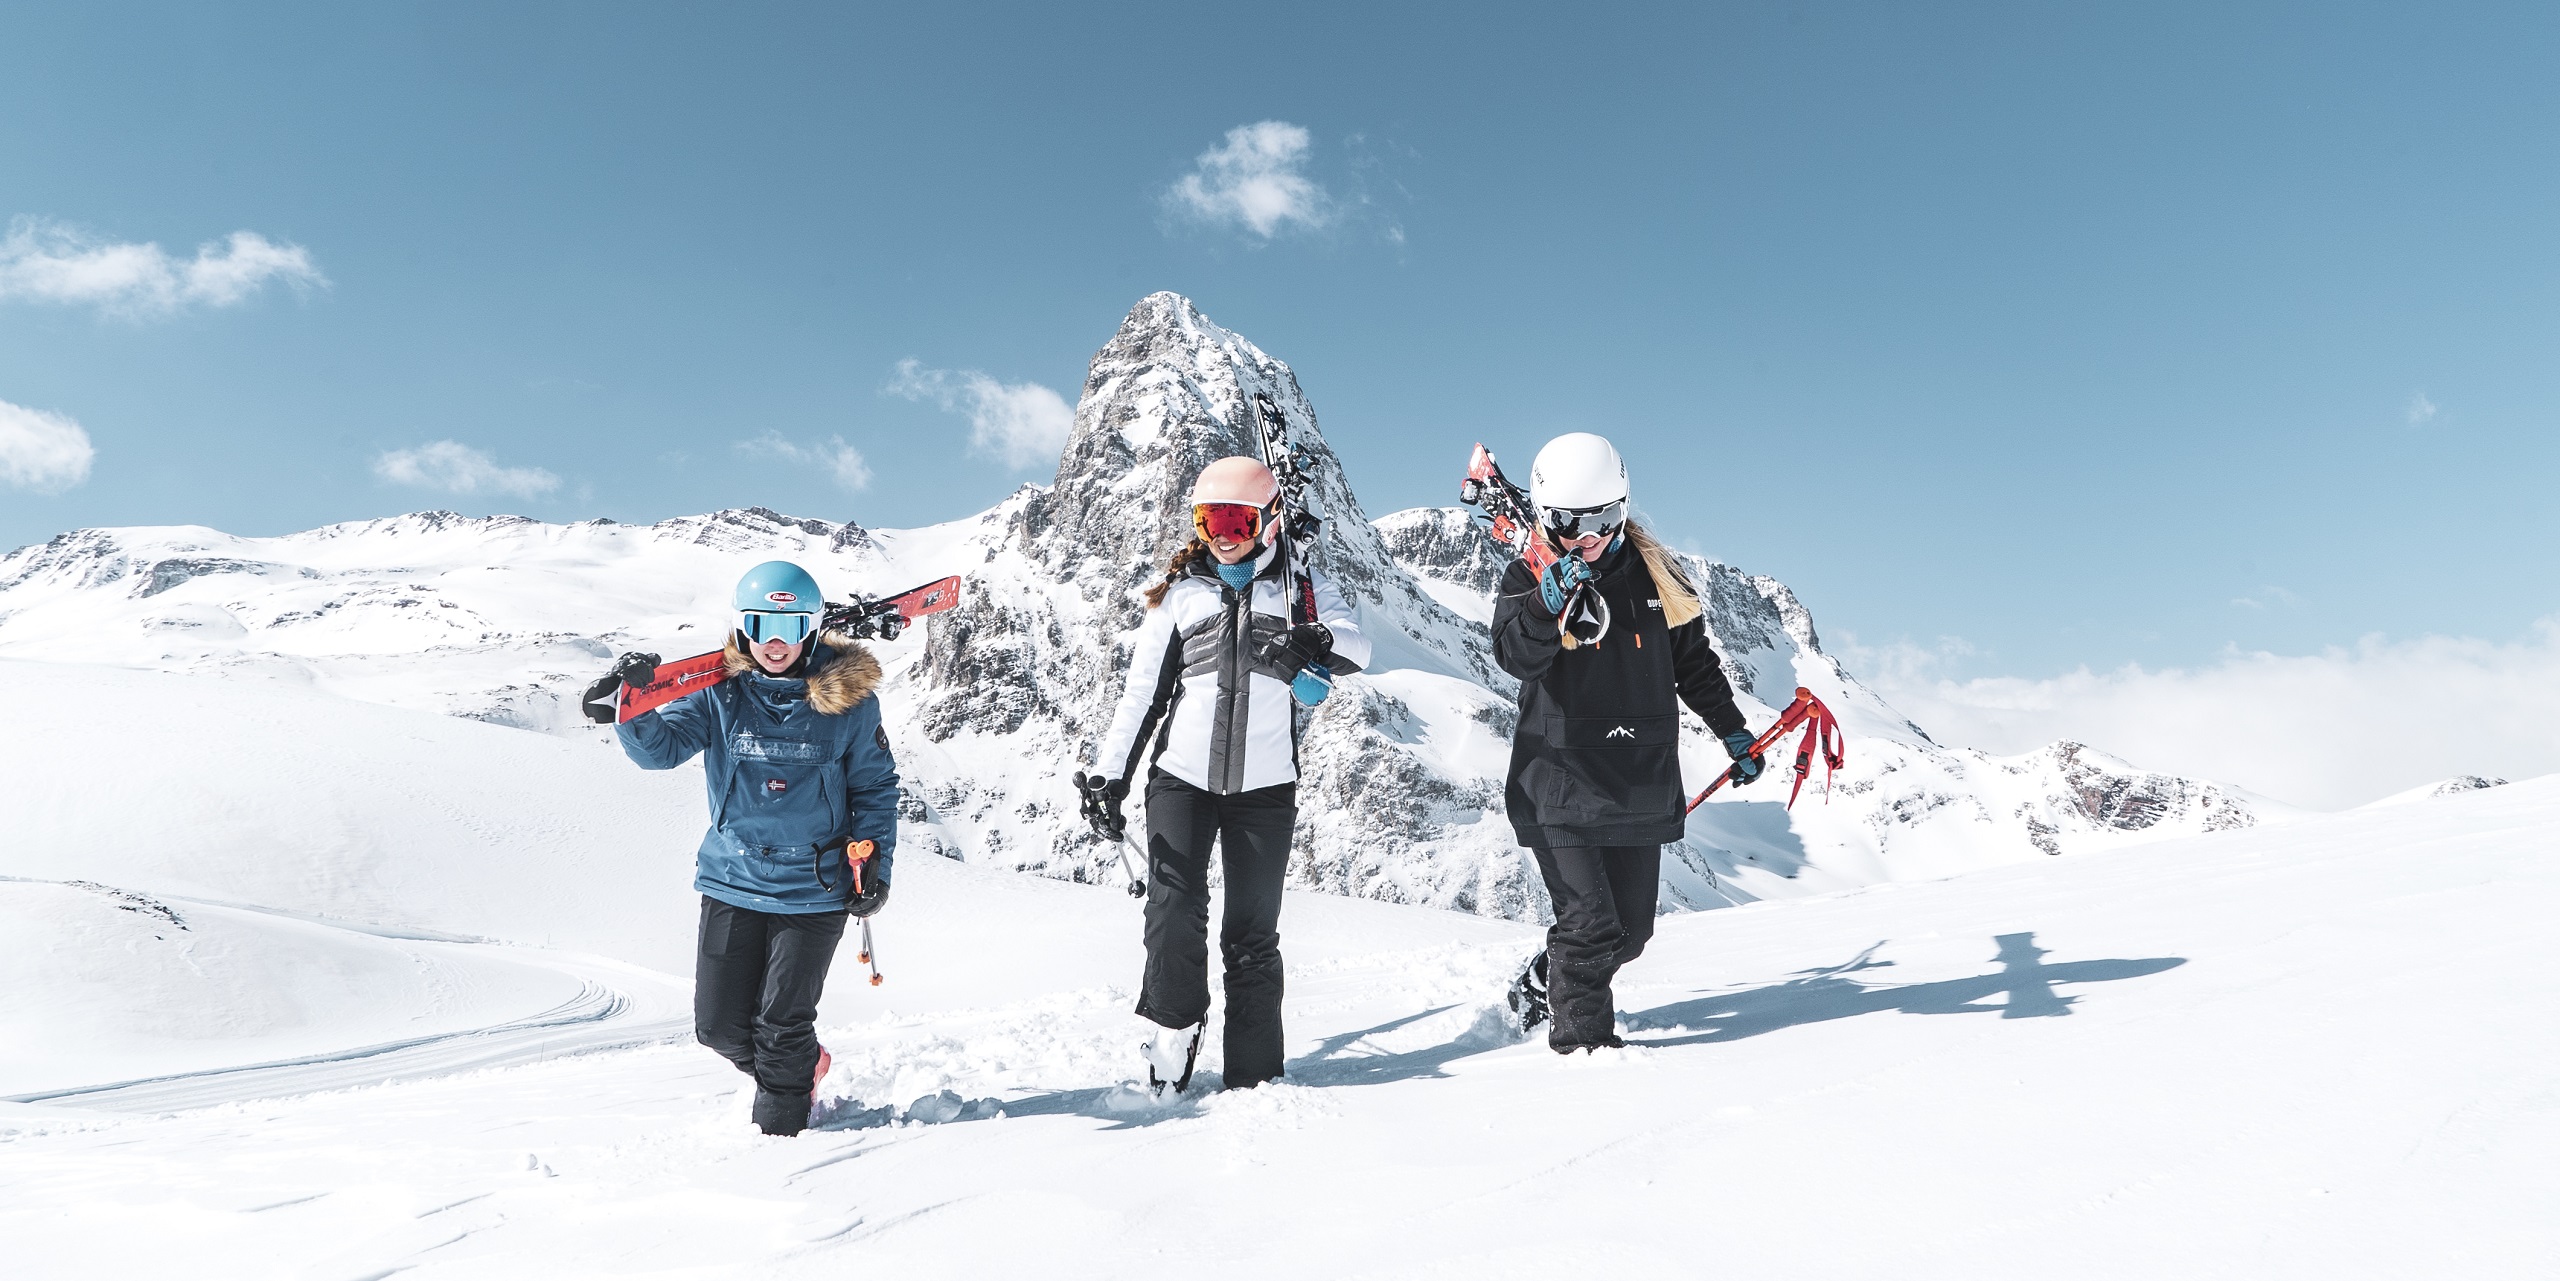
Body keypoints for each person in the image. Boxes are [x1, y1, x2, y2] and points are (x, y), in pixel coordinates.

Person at [1073, 456, 1371, 1093]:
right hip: (1181, 780)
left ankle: (1254, 1081)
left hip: (1264, 792)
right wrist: (1109, 778)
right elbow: (1140, 699)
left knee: (1252, 932)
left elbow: (1358, 647)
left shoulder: (1299, 588)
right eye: (1211, 518)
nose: (1224, 532)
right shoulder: (1180, 597)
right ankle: (1175, 1031)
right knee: (1173, 909)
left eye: (1238, 517)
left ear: (1266, 521)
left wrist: (1313, 644)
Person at [588, 560, 899, 1135]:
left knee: (782, 1026)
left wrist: (875, 859)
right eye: (761, 625)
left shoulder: (851, 704)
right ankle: (803, 1069)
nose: (774, 643)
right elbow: (661, 751)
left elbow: (874, 785)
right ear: (743, 627)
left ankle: (782, 1148)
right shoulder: (719, 692)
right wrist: (634, 709)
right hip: (734, 878)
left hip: (817, 887)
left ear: (811, 625)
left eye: (790, 626)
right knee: (720, 1028)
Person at [1491, 433, 1766, 1053]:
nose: (1587, 537)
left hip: (1638, 780)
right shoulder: (1528, 576)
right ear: (1545, 517)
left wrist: (1732, 731)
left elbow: (1693, 664)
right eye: (1570, 523)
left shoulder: (1659, 578)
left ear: (1623, 507)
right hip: (1560, 783)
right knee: (1589, 926)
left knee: (1631, 932)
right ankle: (1585, 1057)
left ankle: (1544, 980)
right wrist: (1543, 606)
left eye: (1604, 520)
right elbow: (1515, 656)